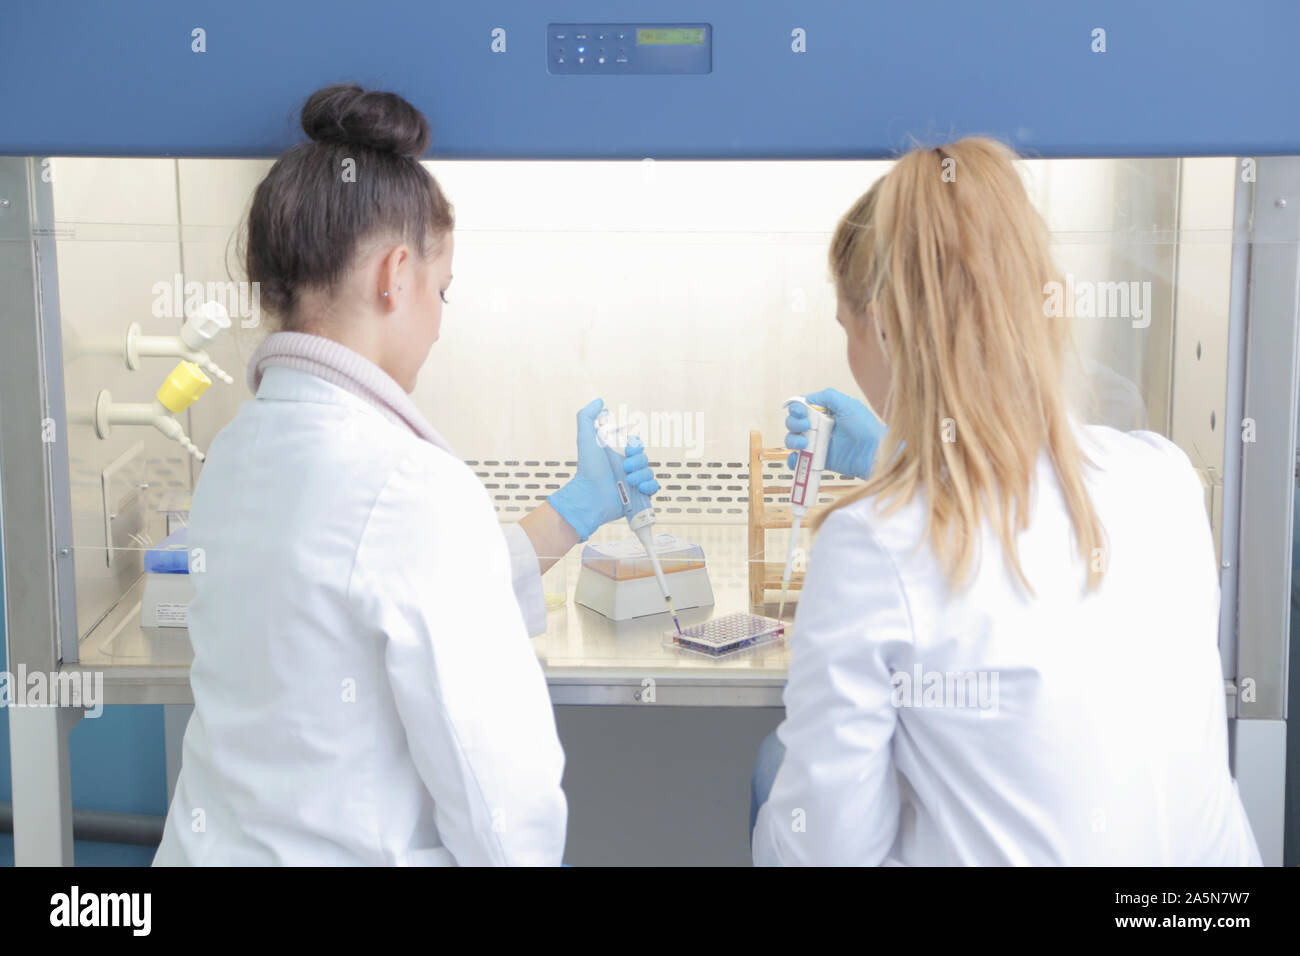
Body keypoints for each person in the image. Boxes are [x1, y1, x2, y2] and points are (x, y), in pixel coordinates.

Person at [153, 85, 657, 866]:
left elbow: (380, 584)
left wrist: (574, 509)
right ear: (396, 276)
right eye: (442, 287)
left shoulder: (237, 451)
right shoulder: (411, 486)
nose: (439, 316)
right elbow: (508, 818)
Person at [751, 137, 1261, 866]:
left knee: (773, 777)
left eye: (848, 328)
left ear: (887, 327)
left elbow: (824, 854)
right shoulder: (1166, 478)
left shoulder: (872, 544)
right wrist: (903, 454)